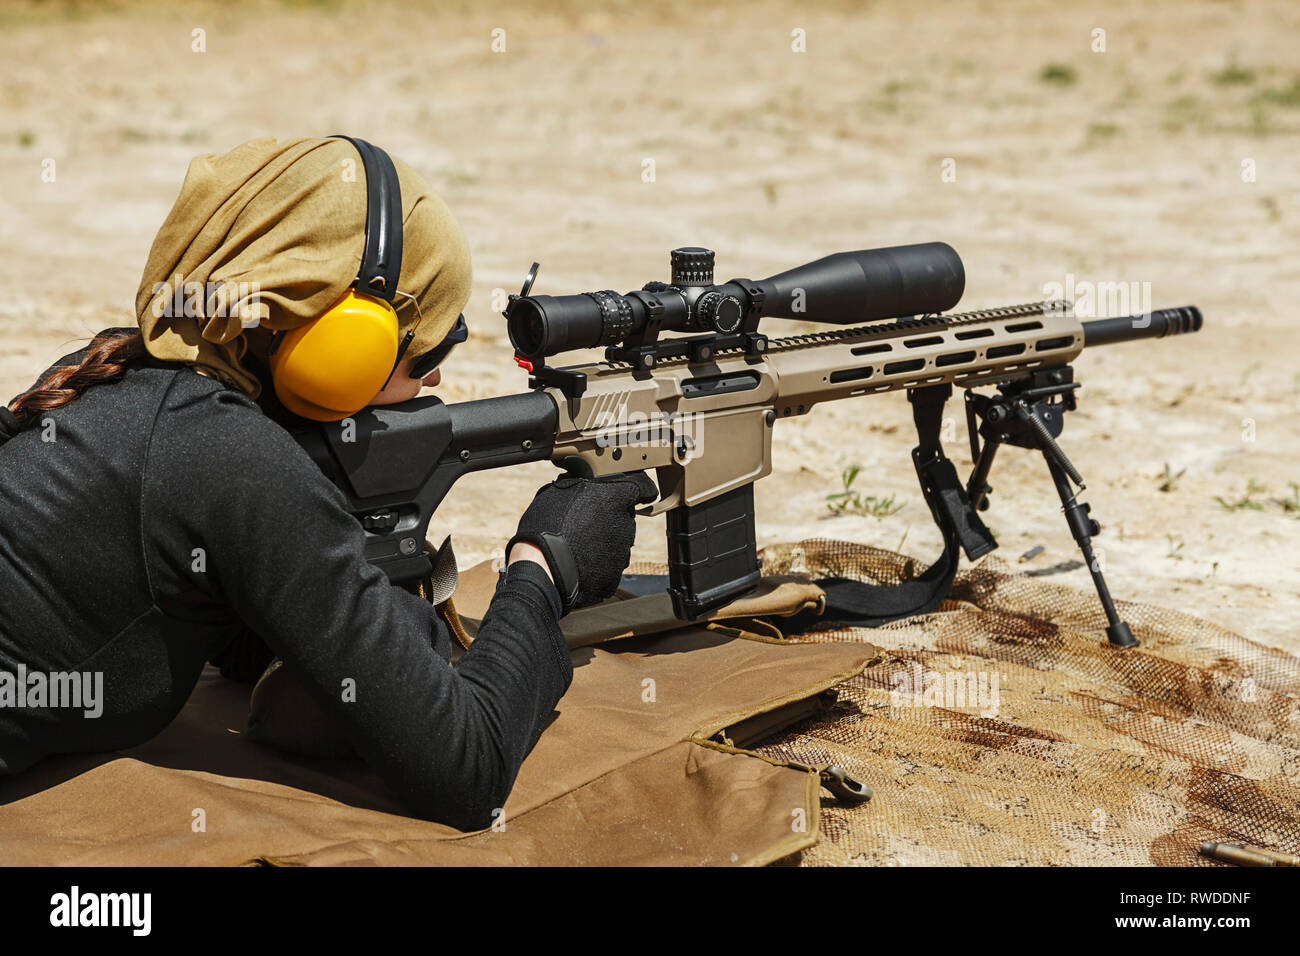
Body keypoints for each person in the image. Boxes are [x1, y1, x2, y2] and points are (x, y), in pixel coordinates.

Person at [0, 136, 650, 831]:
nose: (435, 378)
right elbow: (469, 771)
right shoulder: (229, 456)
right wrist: (544, 566)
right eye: (427, 346)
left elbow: (242, 625)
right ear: (341, 344)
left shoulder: (127, 375)